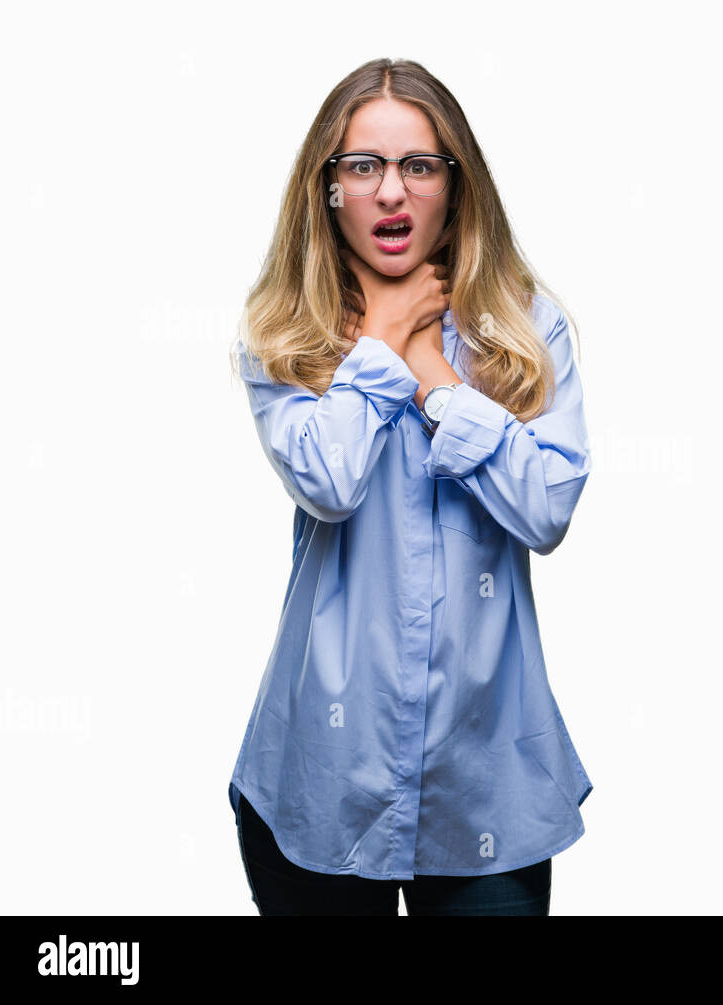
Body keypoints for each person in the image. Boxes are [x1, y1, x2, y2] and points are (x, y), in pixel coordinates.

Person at [225, 57, 593, 916]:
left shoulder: (528, 330)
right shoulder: (284, 335)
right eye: (364, 166)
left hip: (487, 786)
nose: (392, 191)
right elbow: (328, 479)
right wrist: (381, 351)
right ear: (328, 189)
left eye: (420, 165)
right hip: (319, 782)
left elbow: (547, 509)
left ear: (456, 186)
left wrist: (437, 381)